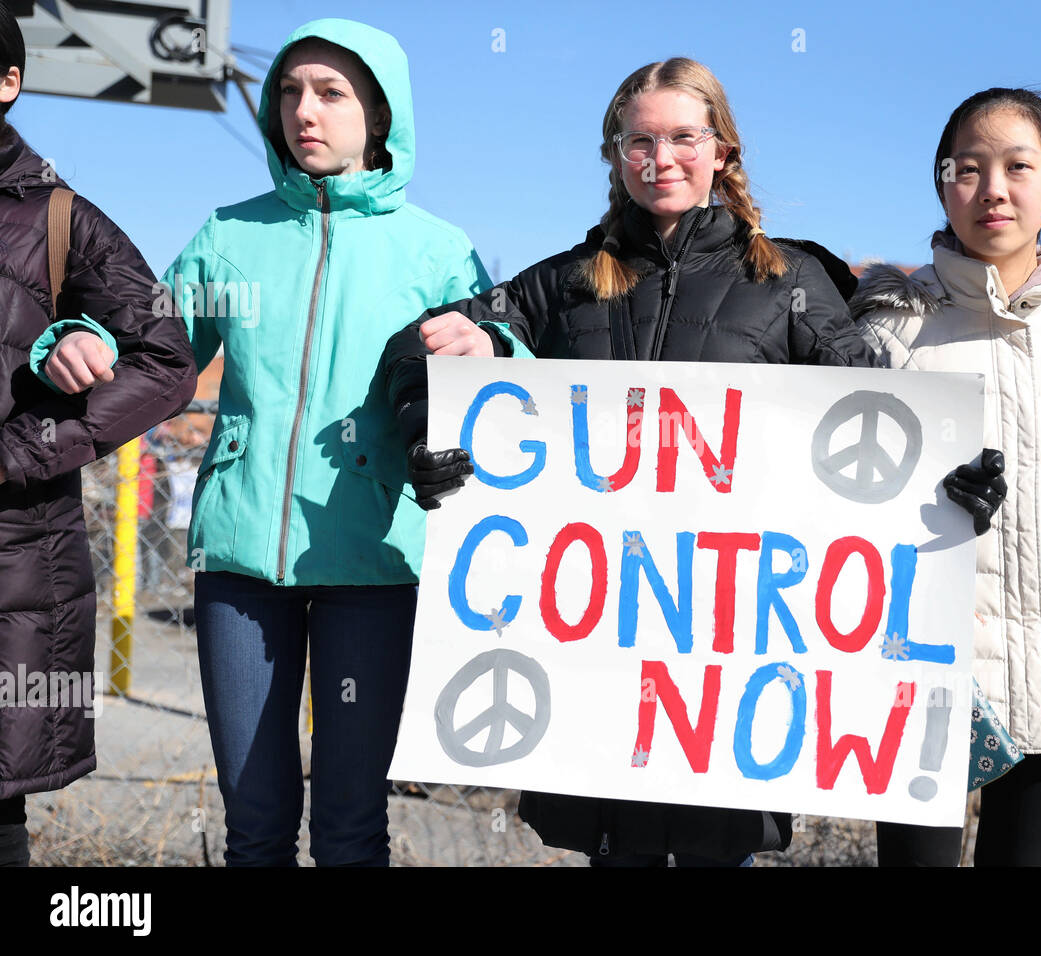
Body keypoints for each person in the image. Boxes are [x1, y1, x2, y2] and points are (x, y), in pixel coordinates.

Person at [383, 57, 871, 866]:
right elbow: (415, 348)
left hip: (734, 638)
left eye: (683, 137)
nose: (661, 159)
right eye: (639, 141)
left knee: (720, 850)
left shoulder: (788, 279)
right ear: (615, 155)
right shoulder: (567, 285)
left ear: (722, 150)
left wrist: (953, 483)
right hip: (598, 636)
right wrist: (430, 431)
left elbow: (875, 419)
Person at [65, 18, 509, 866]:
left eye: (331, 93)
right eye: (290, 93)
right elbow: (152, 349)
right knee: (256, 826)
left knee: (350, 828)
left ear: (379, 115)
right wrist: (70, 343)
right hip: (241, 572)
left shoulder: (439, 251)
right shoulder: (230, 236)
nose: (304, 110)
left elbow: (502, 376)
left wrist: (490, 364)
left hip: (375, 564)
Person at [851, 88, 1041, 866]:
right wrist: (920, 504)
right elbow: (831, 494)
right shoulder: (886, 331)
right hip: (912, 668)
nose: (993, 189)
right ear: (943, 184)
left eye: (1017, 166)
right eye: (967, 169)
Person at [0, 3, 197, 866]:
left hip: (12, 558)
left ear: (9, 82)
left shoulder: (59, 218)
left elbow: (166, 356)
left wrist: (23, 450)